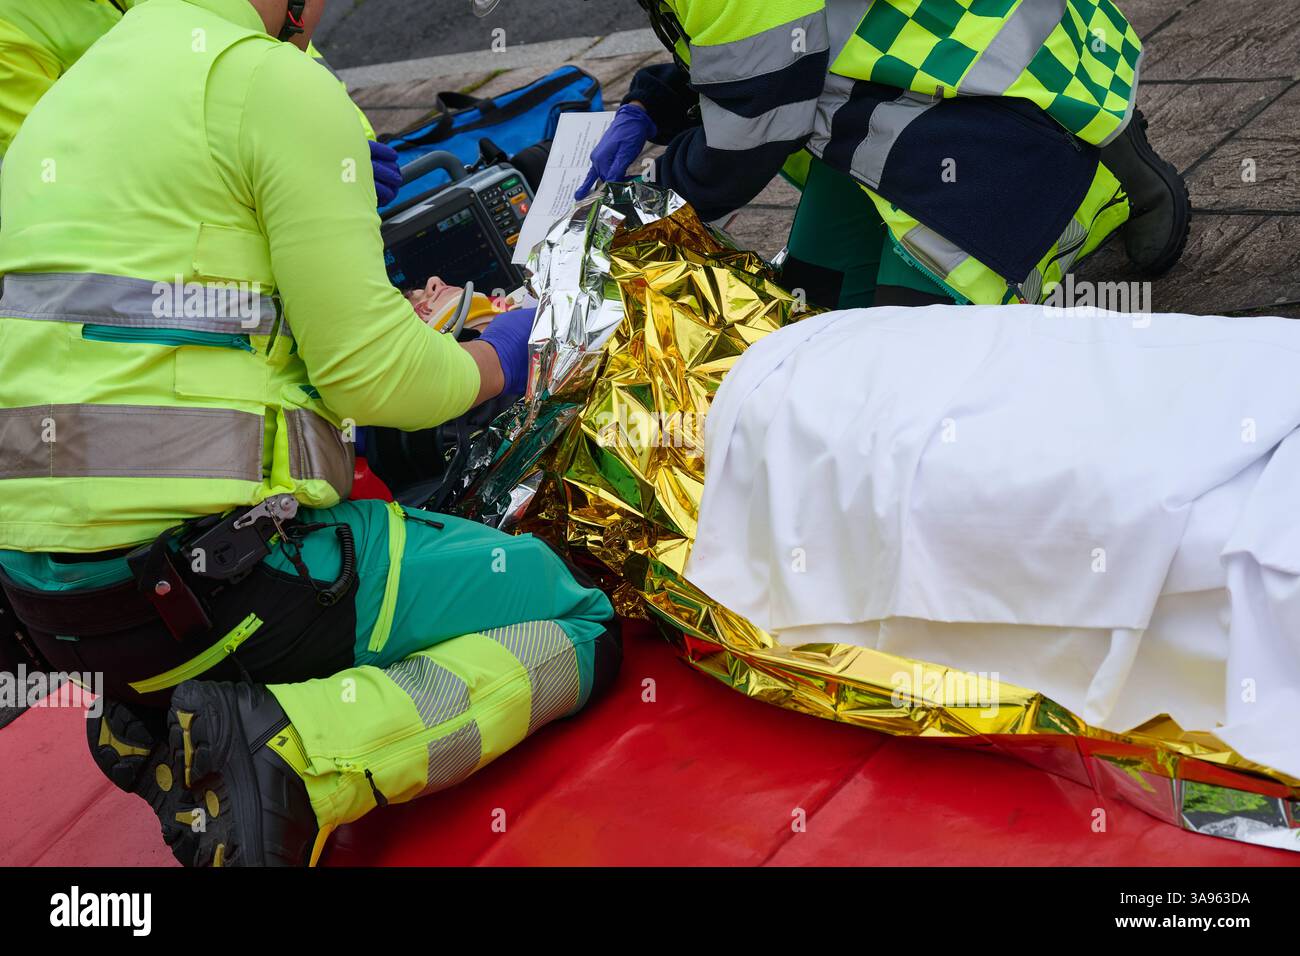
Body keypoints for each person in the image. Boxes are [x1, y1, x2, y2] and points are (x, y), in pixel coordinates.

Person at [0, 0, 620, 867]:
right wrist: (502, 356)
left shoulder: (76, 94)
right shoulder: (269, 81)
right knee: (569, 618)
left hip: (56, 609)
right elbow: (376, 377)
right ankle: (293, 760)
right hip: (204, 587)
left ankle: (153, 721)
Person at [565, 0, 1190, 309]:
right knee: (819, 315)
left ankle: (1099, 172)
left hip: (994, 101)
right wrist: (657, 103)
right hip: (937, 77)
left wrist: (645, 204)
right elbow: (753, 39)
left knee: (916, 369)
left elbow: (752, 130)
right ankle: (1093, 144)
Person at [0, 0, 402, 204]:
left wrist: (344, 140)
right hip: (156, 261)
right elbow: (66, 183)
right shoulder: (10, 27)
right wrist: (294, 167)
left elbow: (276, 43)